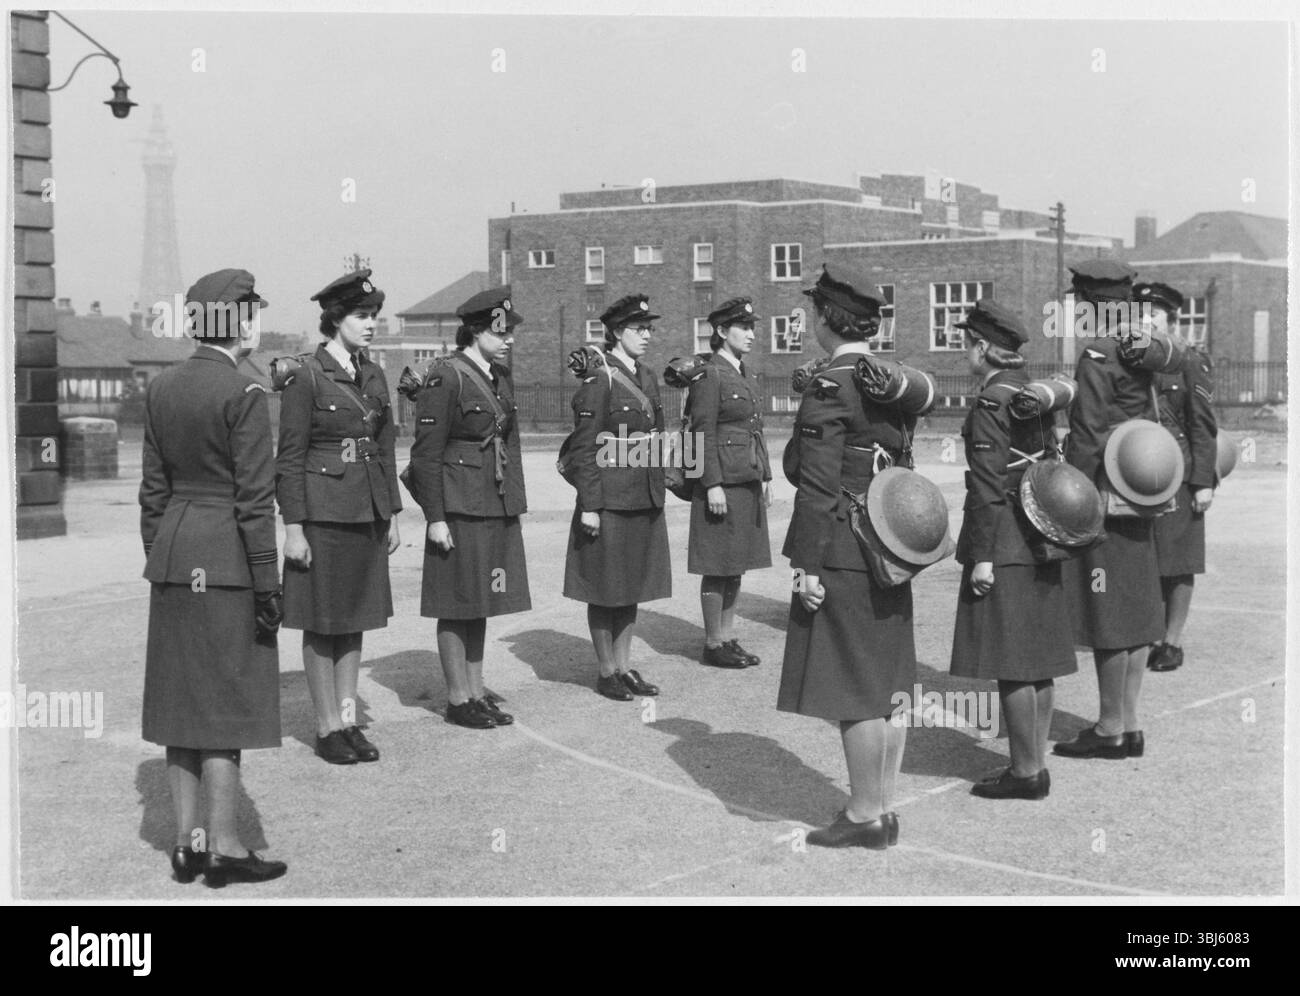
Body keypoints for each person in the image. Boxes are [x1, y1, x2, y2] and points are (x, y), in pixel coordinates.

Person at [139, 268, 287, 886]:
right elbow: (255, 502)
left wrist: (166, 550)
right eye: (250, 314)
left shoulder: (163, 387)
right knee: (227, 701)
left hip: (176, 555)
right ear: (235, 322)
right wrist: (267, 581)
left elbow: (152, 493)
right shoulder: (246, 393)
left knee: (181, 703)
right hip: (227, 559)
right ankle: (225, 845)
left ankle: (186, 843)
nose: (255, 325)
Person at [778, 264, 914, 849]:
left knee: (852, 686)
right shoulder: (889, 379)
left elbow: (817, 485)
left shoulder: (831, 383)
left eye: (813, 313)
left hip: (843, 547)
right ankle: (883, 806)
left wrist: (806, 564)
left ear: (827, 319)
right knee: (887, 683)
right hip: (890, 543)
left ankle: (863, 815)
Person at [949, 300, 1077, 800]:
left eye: (967, 344)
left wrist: (981, 555)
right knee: (1037, 658)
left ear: (982, 348)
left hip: (1003, 539)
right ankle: (1034, 762)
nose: (966, 353)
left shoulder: (990, 402)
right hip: (1041, 534)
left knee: (1011, 661)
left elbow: (985, 485)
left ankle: (1026, 772)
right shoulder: (1033, 395)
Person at [277, 269, 401, 764]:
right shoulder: (305, 376)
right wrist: (293, 528)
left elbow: (386, 447)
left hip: (366, 511)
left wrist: (391, 513)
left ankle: (348, 719)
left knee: (355, 620)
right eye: (361, 316)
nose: (370, 324)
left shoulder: (372, 374)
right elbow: (288, 456)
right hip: (323, 515)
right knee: (323, 623)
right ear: (334, 319)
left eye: (374, 316)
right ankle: (327, 726)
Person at [1055, 259, 1170, 760]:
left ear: (1095, 304)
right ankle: (1130, 722)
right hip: (1142, 488)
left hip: (1105, 493)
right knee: (1139, 607)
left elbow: (1087, 433)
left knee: (1107, 611)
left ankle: (1108, 728)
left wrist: (1073, 492)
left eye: (1082, 301)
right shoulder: (1143, 348)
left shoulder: (1099, 353)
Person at [408, 286, 530, 729]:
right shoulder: (447, 376)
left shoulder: (500, 376)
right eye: (502, 330)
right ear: (477, 330)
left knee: (481, 601)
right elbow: (425, 455)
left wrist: (512, 503)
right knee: (456, 602)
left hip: (491, 503)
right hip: (458, 506)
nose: (509, 338)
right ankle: (458, 699)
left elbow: (508, 446)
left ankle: (476, 693)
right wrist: (435, 518)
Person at [563, 293, 670, 701]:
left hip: (641, 494)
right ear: (616, 333)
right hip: (607, 498)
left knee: (632, 586)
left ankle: (625, 666)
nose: (646, 336)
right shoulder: (600, 377)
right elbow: (584, 448)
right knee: (606, 588)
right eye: (638, 329)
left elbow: (657, 434)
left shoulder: (647, 375)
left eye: (649, 329)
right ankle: (606, 670)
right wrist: (590, 505)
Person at [1135, 282, 1217, 673]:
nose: (1144, 320)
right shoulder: (1132, 358)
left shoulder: (1188, 360)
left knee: (1178, 559)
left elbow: (1202, 423)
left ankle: (1172, 642)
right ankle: (1151, 632)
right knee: (1147, 556)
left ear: (1171, 318)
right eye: (1139, 313)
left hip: (1181, 471)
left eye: (1153, 313)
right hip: (1138, 473)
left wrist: (1202, 481)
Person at [685, 296, 772, 669]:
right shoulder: (709, 374)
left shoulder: (746, 373)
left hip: (746, 477)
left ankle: (728, 636)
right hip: (721, 482)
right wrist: (712, 484)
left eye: (753, 328)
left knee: (736, 563)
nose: (751, 335)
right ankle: (712, 642)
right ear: (721, 332)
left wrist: (766, 475)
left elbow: (755, 428)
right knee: (717, 563)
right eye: (744, 328)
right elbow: (699, 431)